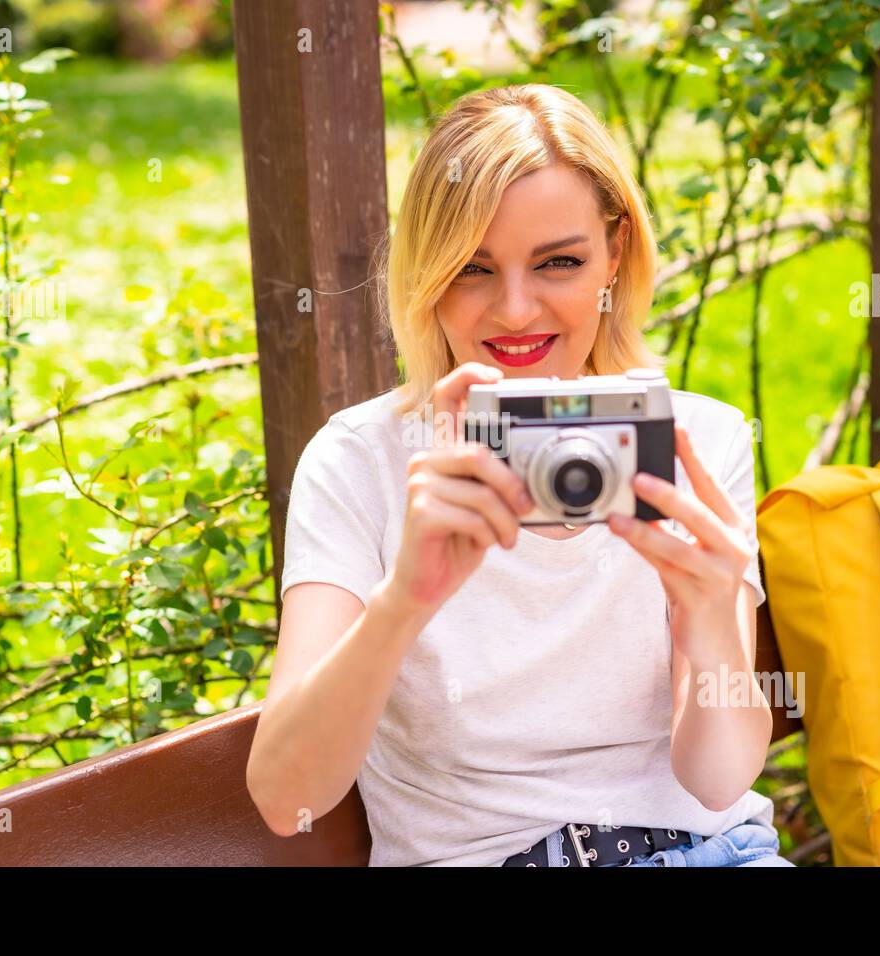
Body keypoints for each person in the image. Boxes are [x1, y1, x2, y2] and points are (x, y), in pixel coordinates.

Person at [246, 83, 794, 868]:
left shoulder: (694, 438)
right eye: (472, 269)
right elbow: (285, 797)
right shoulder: (359, 463)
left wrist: (707, 613)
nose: (513, 310)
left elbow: (718, 780)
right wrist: (406, 600)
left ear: (616, 254)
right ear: (426, 276)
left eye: (559, 263)